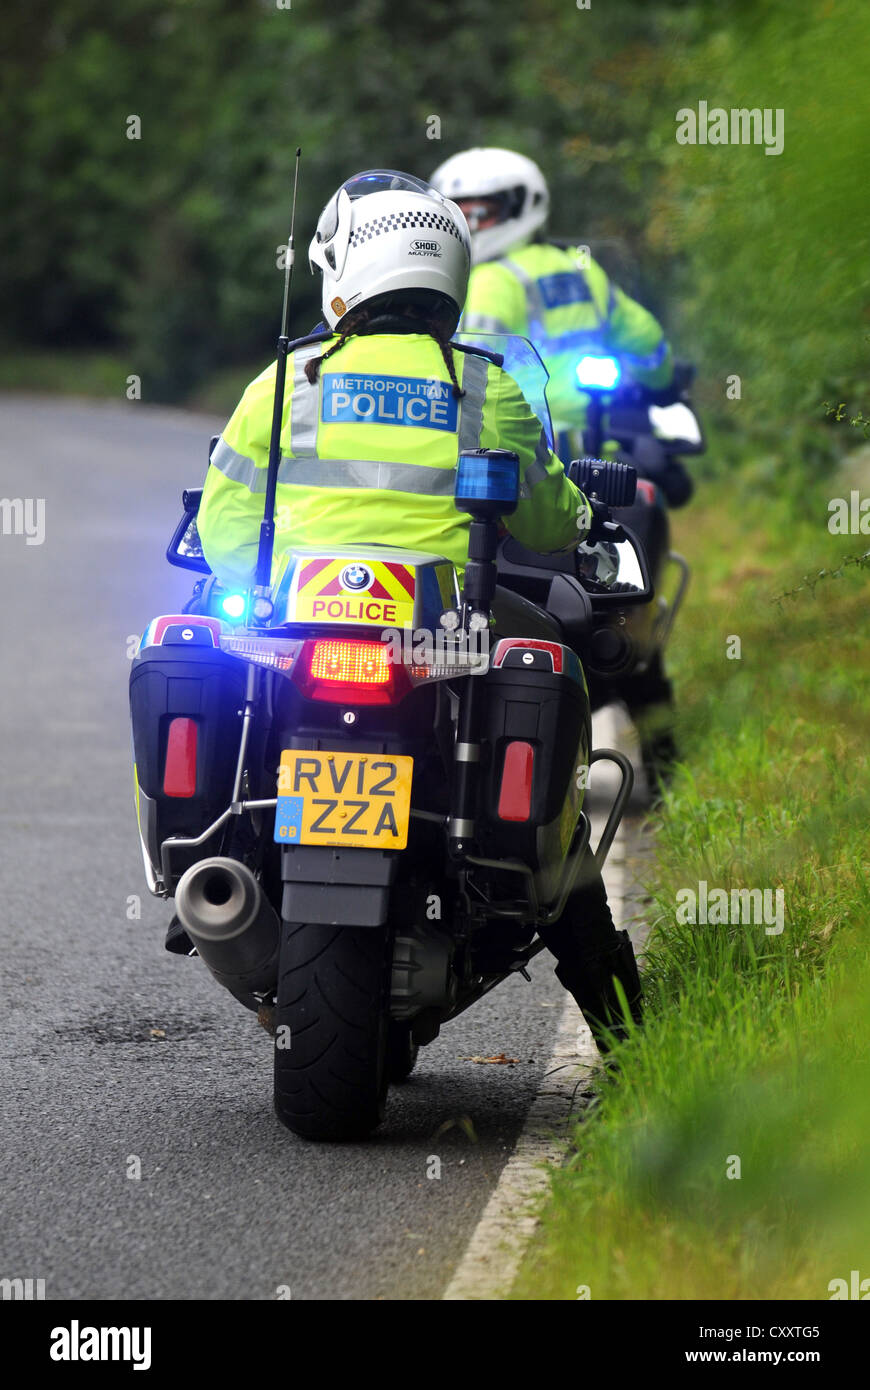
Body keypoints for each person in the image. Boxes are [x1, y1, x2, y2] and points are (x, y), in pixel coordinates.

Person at [196, 169, 642, 1051]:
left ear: (345, 272)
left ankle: (223, 841)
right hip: (448, 628)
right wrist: (588, 525)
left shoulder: (283, 384)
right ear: (450, 273)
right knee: (556, 665)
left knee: (207, 650)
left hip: (299, 627)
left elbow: (225, 527)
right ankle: (628, 1033)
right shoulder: (483, 388)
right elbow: (550, 521)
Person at [429, 146, 674, 448]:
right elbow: (647, 339)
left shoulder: (489, 280)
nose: (472, 226)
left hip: (527, 452)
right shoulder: (580, 266)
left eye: (483, 214)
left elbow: (470, 380)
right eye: (460, 214)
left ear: (523, 207)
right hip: (606, 445)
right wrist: (659, 386)